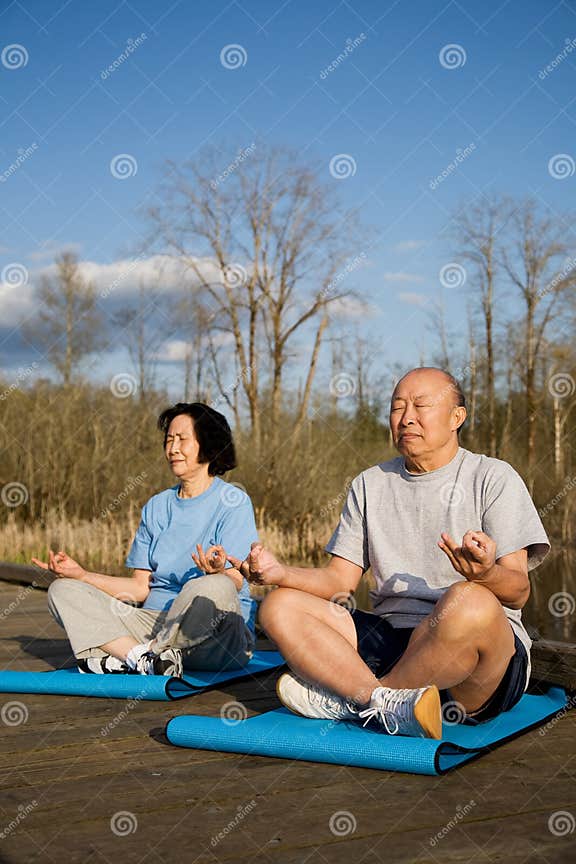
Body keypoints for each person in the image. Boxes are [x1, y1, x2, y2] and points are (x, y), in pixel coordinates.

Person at [229, 367, 550, 739]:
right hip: (391, 642)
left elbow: (518, 591)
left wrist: (486, 575)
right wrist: (280, 574)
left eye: (421, 405)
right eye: (398, 407)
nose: (406, 417)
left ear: (456, 418)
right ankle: (382, 701)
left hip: (476, 664)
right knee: (279, 606)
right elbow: (338, 582)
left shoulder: (494, 477)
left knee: (470, 599)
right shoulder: (369, 484)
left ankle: (358, 703)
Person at [34, 402, 257, 678]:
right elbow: (140, 589)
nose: (173, 448)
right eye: (169, 440)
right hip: (152, 626)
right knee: (63, 590)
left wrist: (220, 572)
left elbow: (235, 583)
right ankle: (142, 658)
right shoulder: (156, 506)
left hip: (215, 638)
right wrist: (82, 575)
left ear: (209, 445)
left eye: (182, 439)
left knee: (214, 585)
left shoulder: (233, 502)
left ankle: (133, 656)